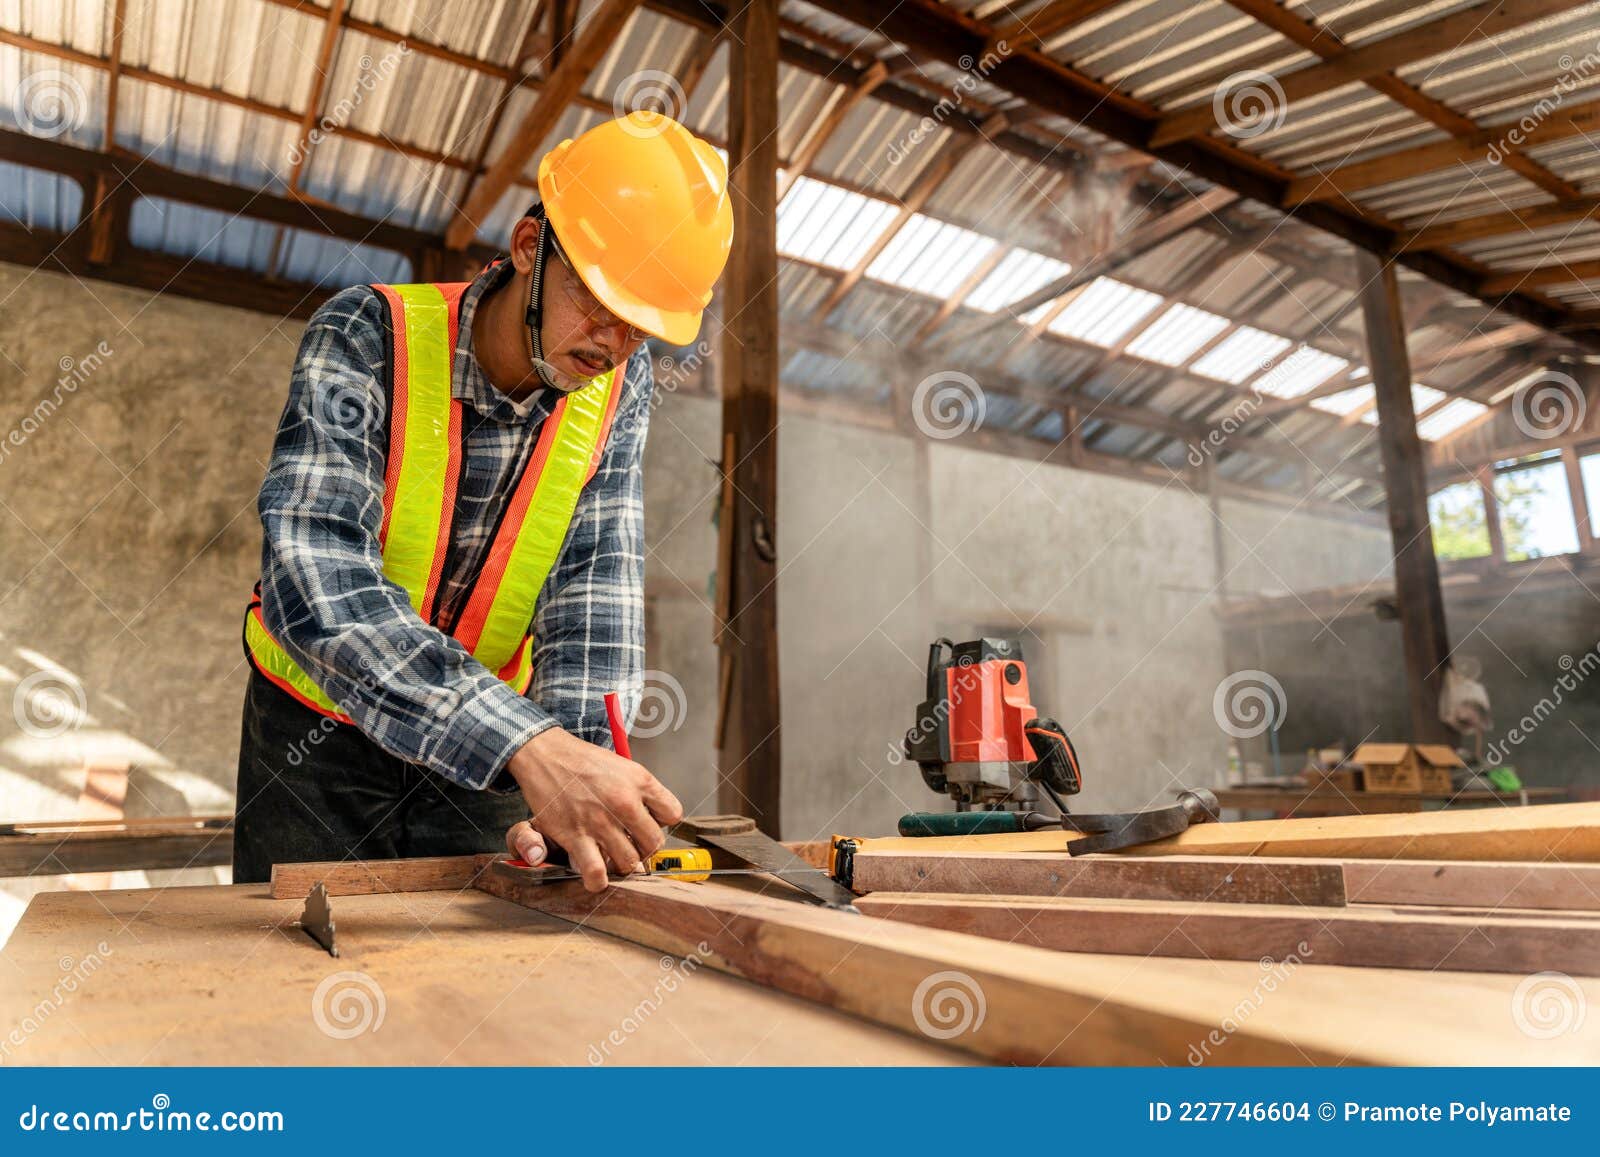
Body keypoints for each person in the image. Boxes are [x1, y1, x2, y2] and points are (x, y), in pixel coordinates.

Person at [232, 112, 733, 892]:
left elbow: (592, 591)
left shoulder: (615, 387)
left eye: (639, 329)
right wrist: (531, 745)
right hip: (317, 739)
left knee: (472, 986)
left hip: (485, 756)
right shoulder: (367, 335)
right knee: (286, 981)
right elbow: (315, 577)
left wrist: (580, 767)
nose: (611, 344)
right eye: (597, 300)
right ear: (530, 248)